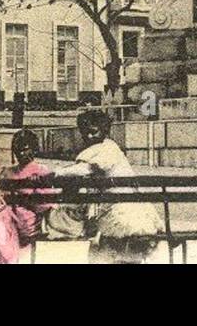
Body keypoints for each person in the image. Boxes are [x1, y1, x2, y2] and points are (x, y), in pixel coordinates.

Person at [52, 109, 161, 263]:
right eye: (85, 132)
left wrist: (56, 173)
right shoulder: (111, 148)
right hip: (139, 214)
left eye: (93, 132)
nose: (89, 136)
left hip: (122, 218)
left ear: (104, 131)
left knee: (100, 250)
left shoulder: (104, 150)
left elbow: (85, 169)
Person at [0, 129, 54, 264]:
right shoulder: (7, 171)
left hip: (27, 220)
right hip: (8, 220)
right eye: (17, 150)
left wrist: (22, 197)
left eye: (25, 149)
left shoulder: (41, 171)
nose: (21, 153)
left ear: (34, 150)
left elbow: (45, 205)